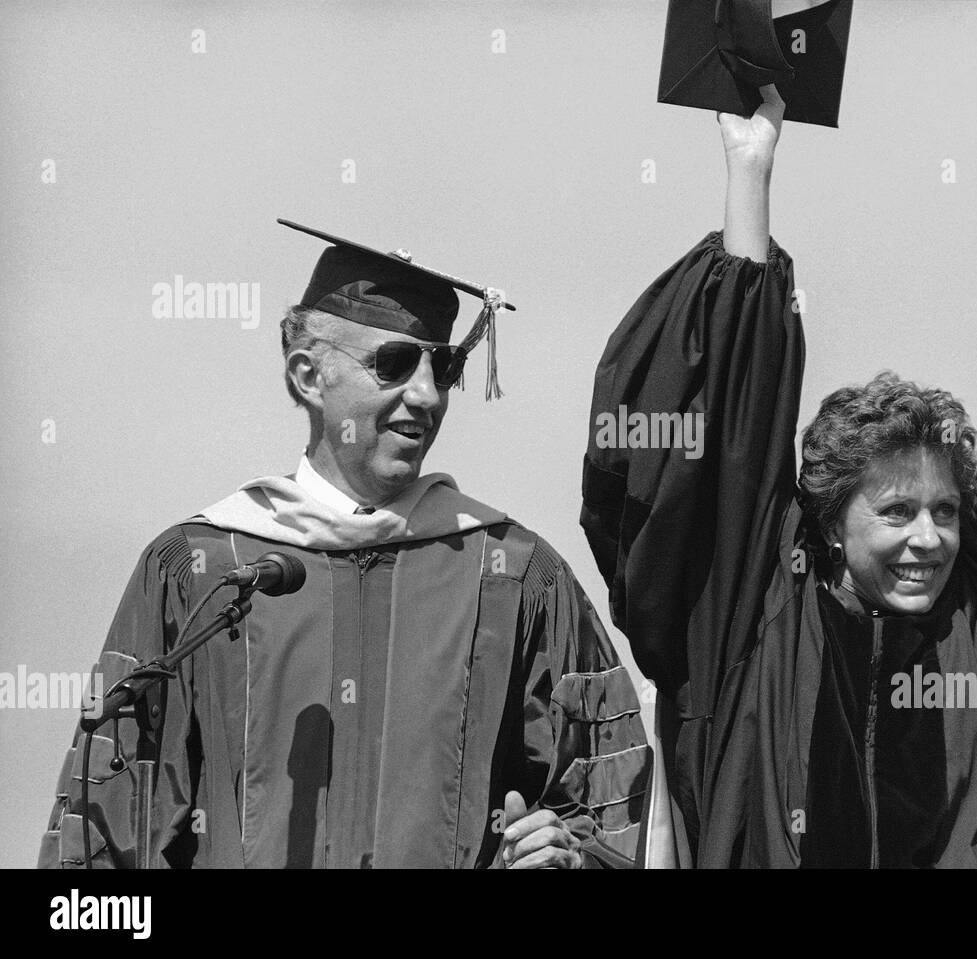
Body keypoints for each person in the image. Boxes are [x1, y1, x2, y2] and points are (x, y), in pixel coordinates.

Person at [581, 87, 977, 867]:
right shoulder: (753, 620)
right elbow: (732, 418)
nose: (930, 537)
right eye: (895, 510)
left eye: (946, 511)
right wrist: (750, 167)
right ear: (827, 523)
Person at [39, 221, 650, 869]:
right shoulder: (205, 570)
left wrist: (566, 857)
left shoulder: (514, 575)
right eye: (393, 363)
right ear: (308, 376)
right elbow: (106, 835)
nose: (424, 392)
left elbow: (611, 811)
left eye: (441, 366)